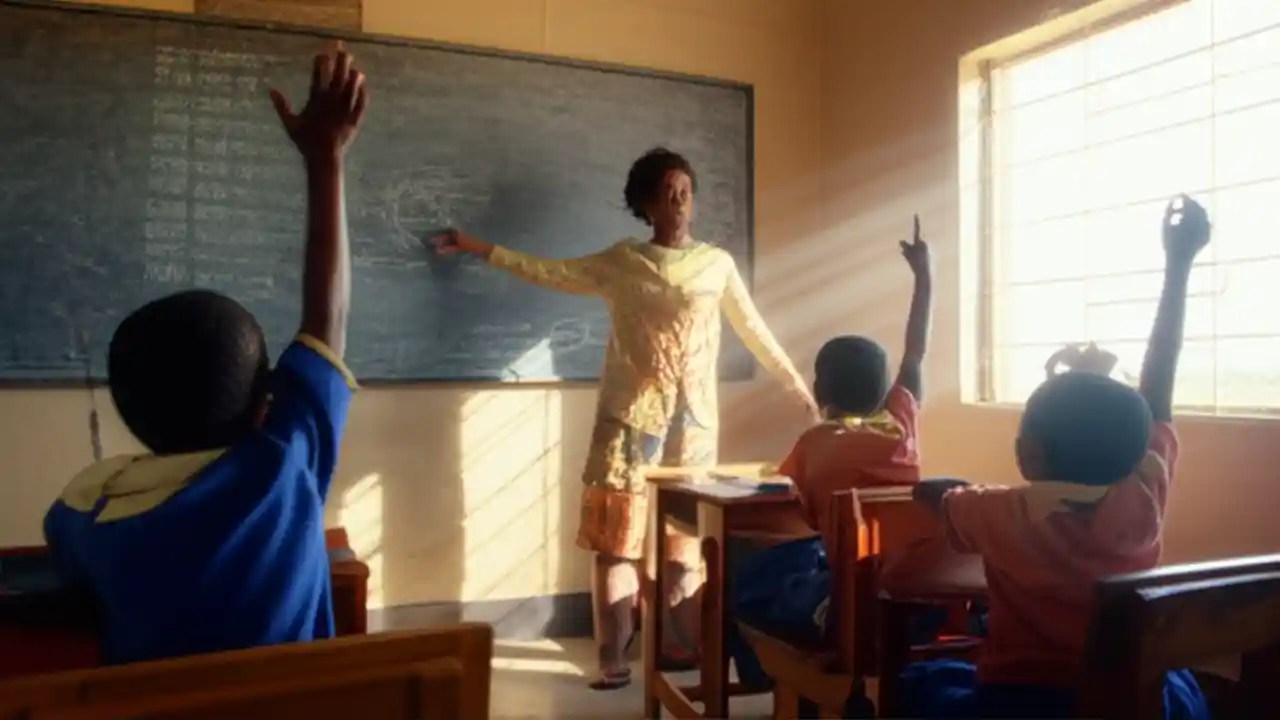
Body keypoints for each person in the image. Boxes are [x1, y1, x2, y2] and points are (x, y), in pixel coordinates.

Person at [433, 148, 816, 689]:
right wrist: (476, 246)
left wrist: (798, 387)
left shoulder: (717, 264)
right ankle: (612, 655)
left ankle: (688, 652)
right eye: (667, 193)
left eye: (686, 192)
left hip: (693, 426)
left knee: (686, 547)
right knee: (617, 541)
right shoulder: (621, 261)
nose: (680, 203)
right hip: (629, 421)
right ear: (646, 204)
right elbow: (550, 272)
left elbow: (754, 329)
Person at [42, 45, 369, 665]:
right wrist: (326, 158)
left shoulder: (84, 506)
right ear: (264, 406)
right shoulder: (281, 468)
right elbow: (329, 318)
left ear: (129, 410)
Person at [899, 196, 1213, 718]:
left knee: (919, 682)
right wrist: (1178, 265)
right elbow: (1158, 387)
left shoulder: (999, 511)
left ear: (1030, 453)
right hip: (1129, 697)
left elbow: (931, 495)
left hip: (1025, 700)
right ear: (1137, 449)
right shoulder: (1144, 498)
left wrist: (953, 489)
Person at [726, 217, 932, 712]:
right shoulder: (902, 424)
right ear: (887, 393)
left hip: (846, 603)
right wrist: (925, 276)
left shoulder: (815, 441)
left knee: (743, 576)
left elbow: (805, 517)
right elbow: (917, 353)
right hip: (909, 594)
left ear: (819, 391)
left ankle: (775, 678)